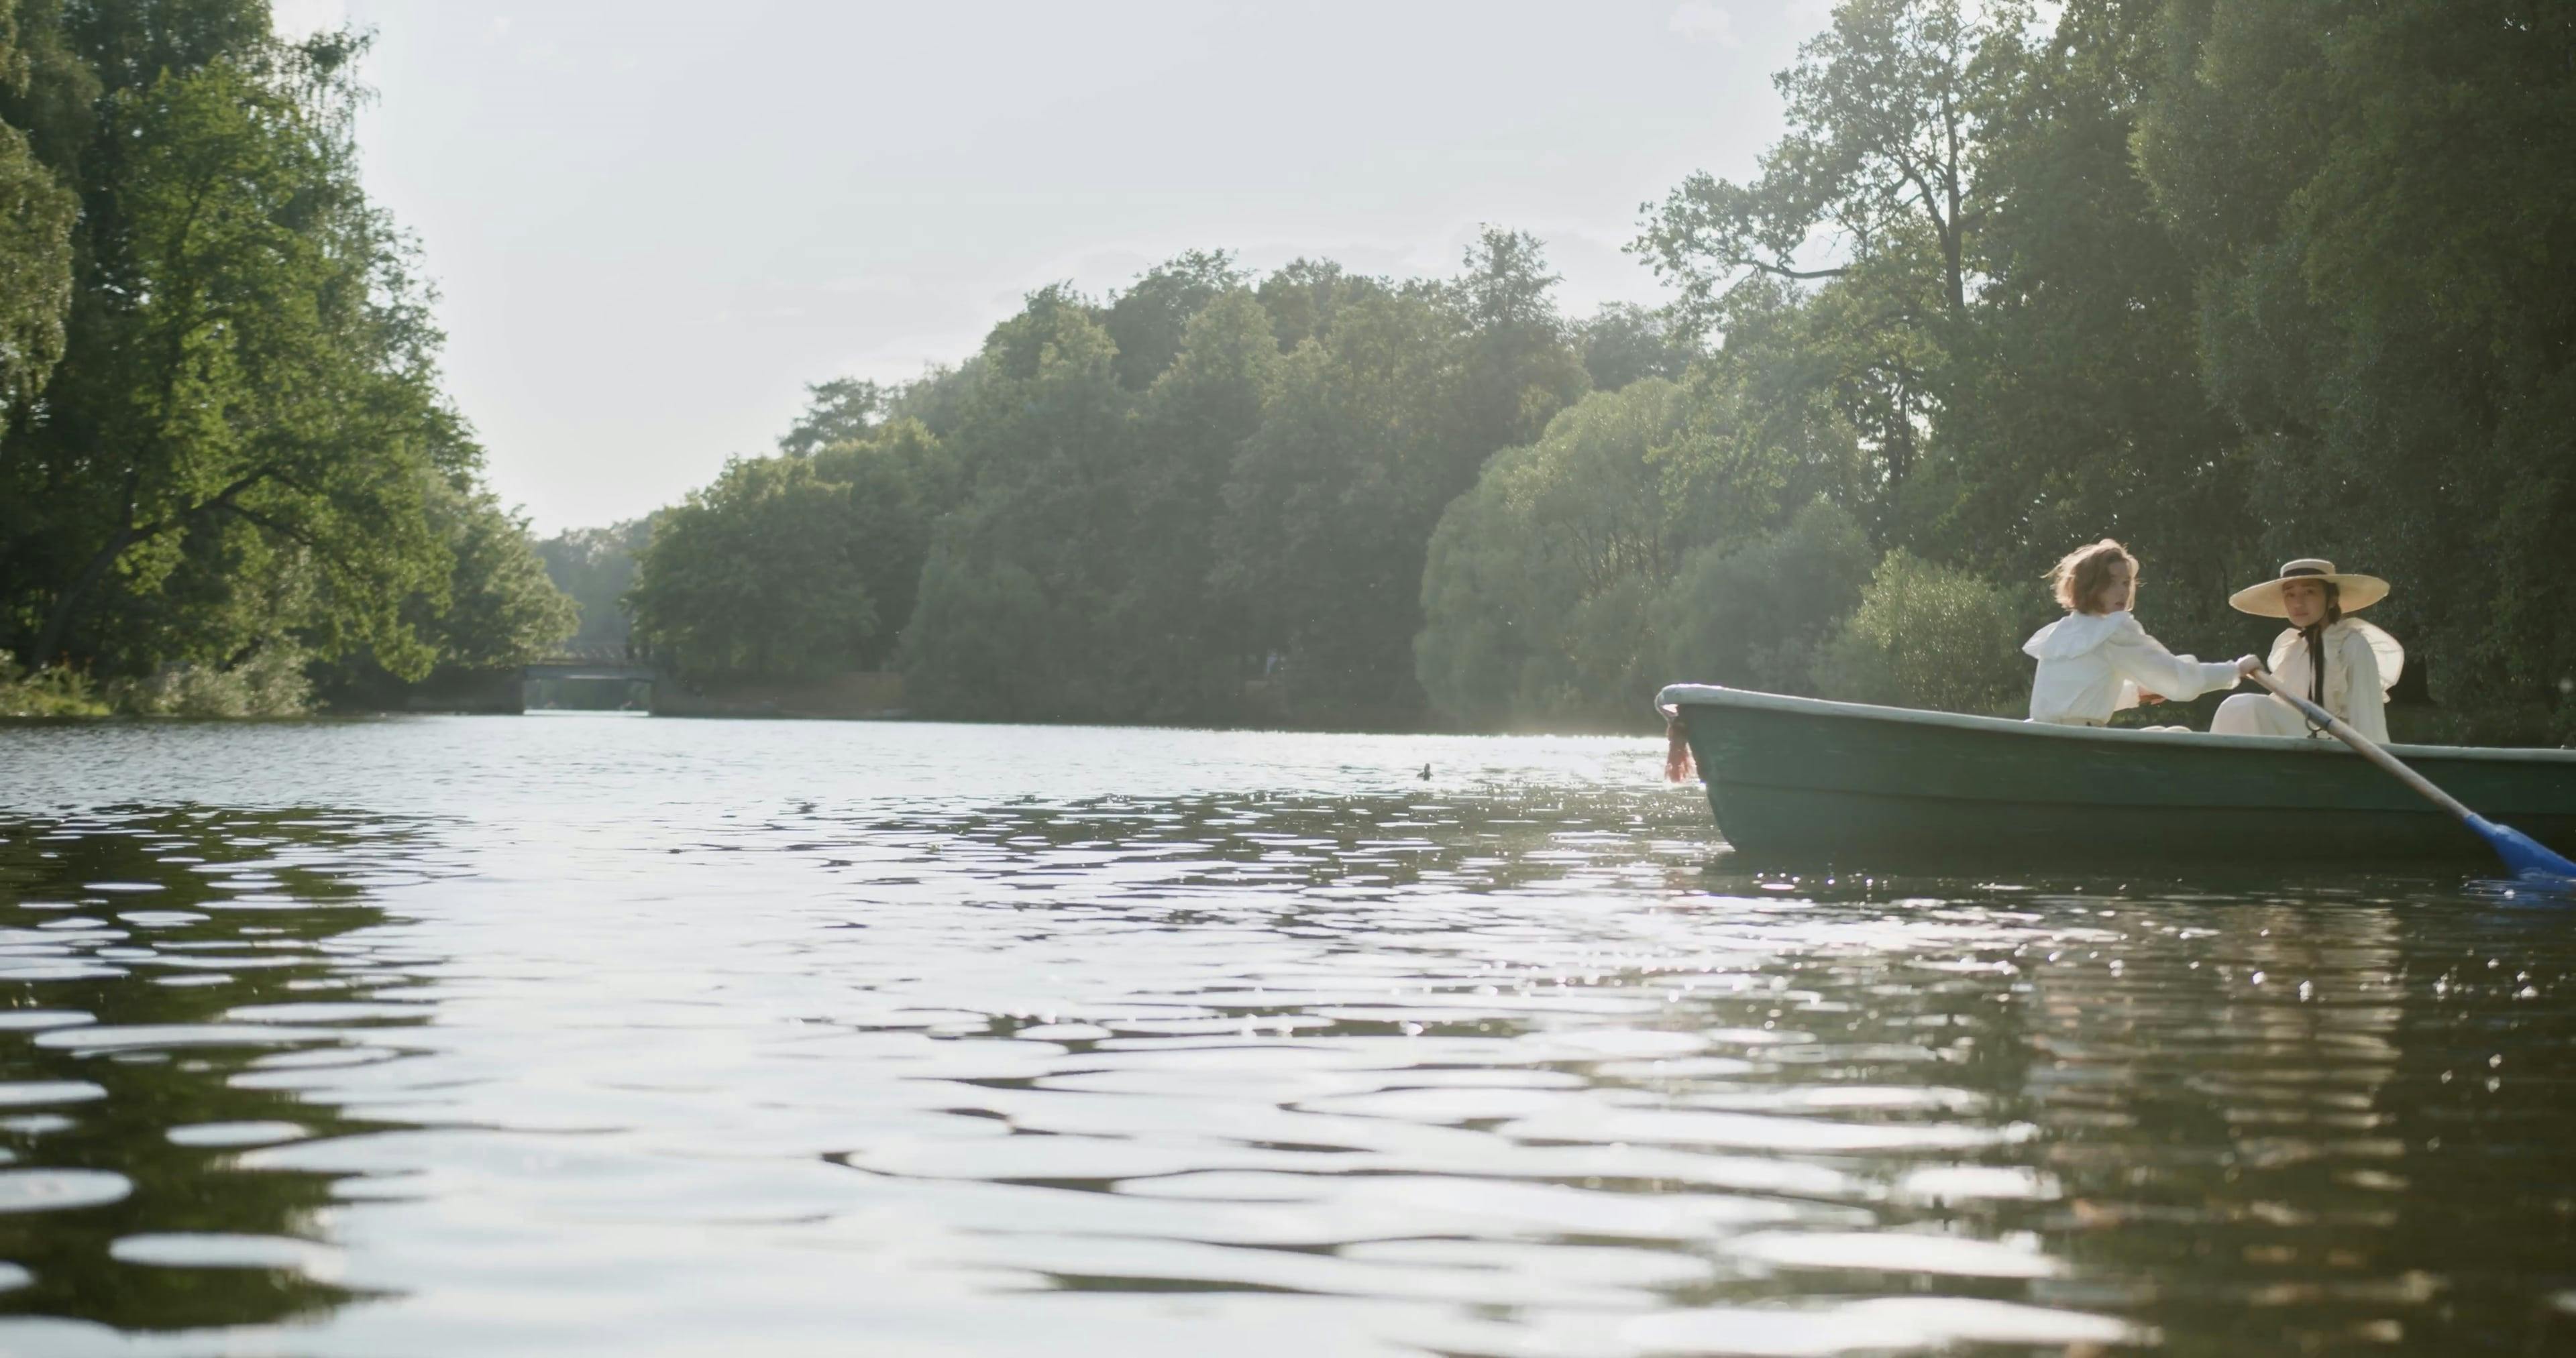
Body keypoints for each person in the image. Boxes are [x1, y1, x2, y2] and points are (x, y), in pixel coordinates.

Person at [2024, 539, 2259, 727]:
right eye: (2111, 583)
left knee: (2169, 734)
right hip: (2079, 746)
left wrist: (2139, 693)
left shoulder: (2062, 632)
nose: (2122, 592)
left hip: (2042, 741)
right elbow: (2178, 678)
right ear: (2090, 586)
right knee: (2176, 737)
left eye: (2126, 583)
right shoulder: (2112, 631)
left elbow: (2083, 696)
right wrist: (2235, 670)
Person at [2210, 558, 2405, 742]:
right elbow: (2281, 711)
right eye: (2290, 595)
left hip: (2339, 747)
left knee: (2248, 707)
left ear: (2332, 599)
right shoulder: (2293, 649)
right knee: (2233, 707)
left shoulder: (2352, 644)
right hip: (2297, 742)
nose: (2298, 603)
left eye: (2309, 592)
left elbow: (2368, 719)